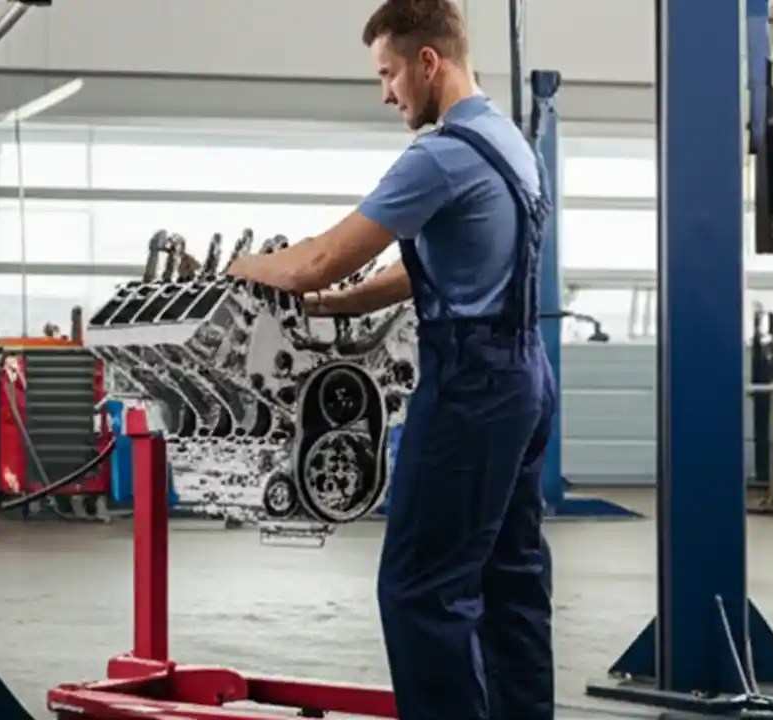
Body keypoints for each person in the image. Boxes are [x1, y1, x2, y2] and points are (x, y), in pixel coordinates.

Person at [224, 1, 556, 717]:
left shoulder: (439, 157)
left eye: (389, 73)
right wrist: (328, 308)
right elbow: (433, 266)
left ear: (427, 61)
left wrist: (249, 268)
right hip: (526, 378)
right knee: (510, 578)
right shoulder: (512, 144)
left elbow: (318, 258)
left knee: (420, 588)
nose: (386, 93)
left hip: (470, 388)